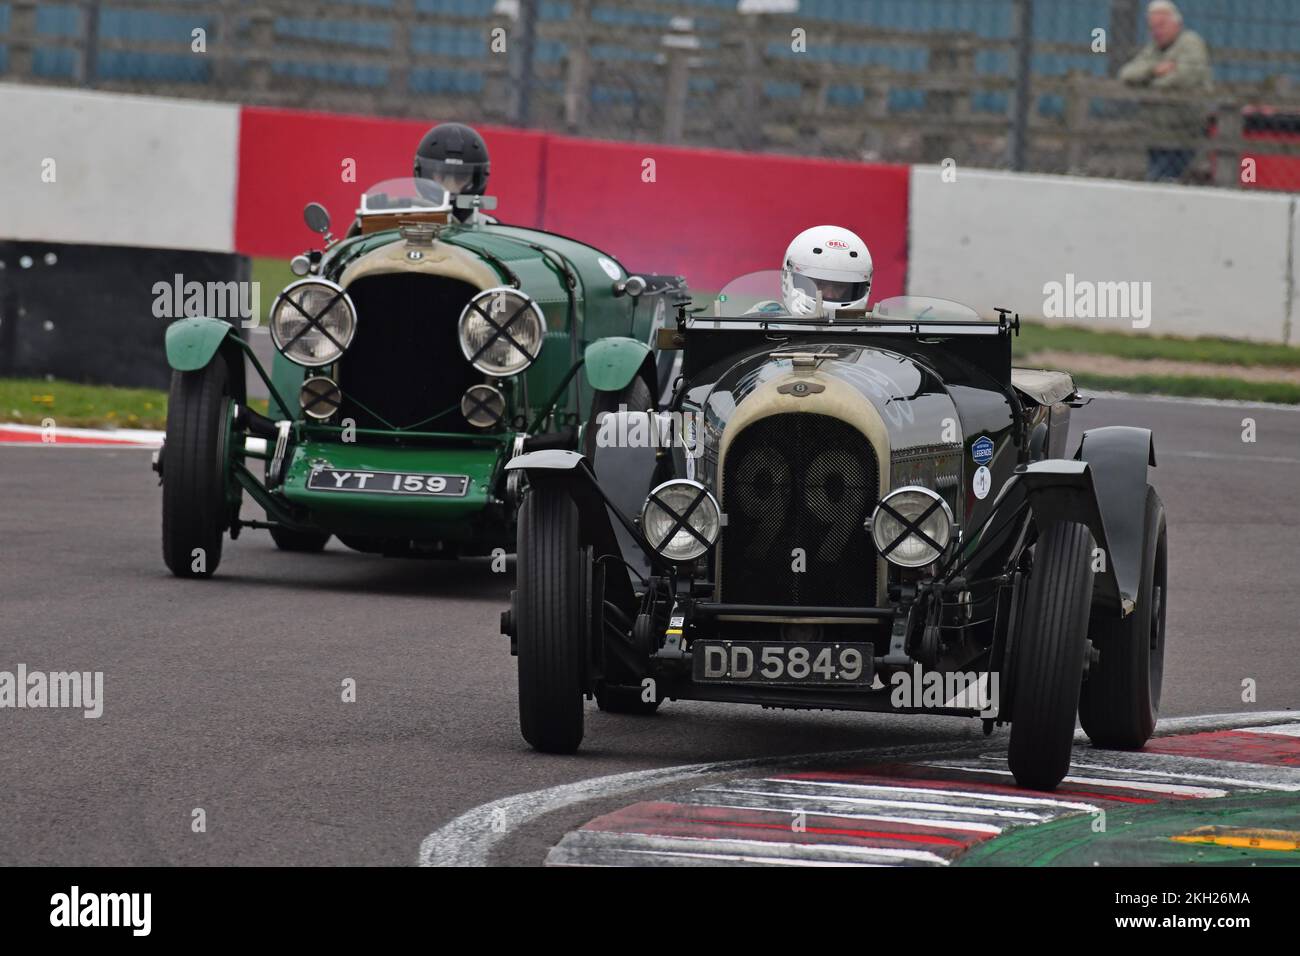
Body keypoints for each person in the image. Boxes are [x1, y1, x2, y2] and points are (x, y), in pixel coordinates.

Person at [1118, 1, 1214, 182]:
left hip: (1186, 131)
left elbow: (1185, 77)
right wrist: (1154, 70)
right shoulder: (1154, 49)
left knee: (1160, 179)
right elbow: (1127, 74)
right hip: (1156, 131)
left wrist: (1148, 85)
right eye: (1152, 27)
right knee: (1160, 178)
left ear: (1176, 24)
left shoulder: (1190, 43)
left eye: (1161, 25)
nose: (1156, 31)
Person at [778, 225, 874, 316]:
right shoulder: (768, 325)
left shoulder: (871, 331)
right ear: (787, 276)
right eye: (820, 284)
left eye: (840, 286)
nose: (830, 295)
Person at [412, 122, 494, 223]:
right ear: (426, 176)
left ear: (476, 180)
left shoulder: (490, 230)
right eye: (441, 175)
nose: (450, 187)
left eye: (460, 177)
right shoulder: (401, 222)